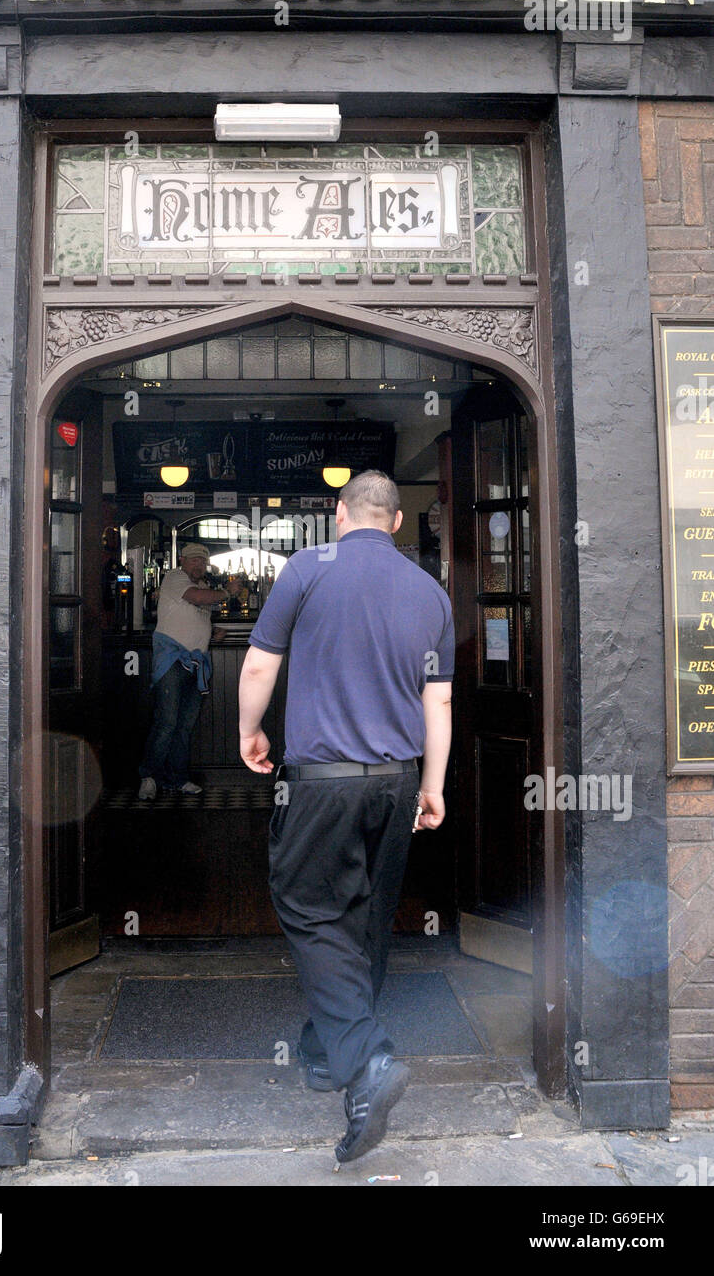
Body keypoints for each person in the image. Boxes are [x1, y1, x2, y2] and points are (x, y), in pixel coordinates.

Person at [238, 470, 454, 1164]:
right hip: (395, 782)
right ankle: (327, 1053)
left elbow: (258, 666)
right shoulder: (429, 590)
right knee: (363, 915)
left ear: (338, 515)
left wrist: (250, 729)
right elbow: (438, 703)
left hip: (321, 780)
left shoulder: (306, 568)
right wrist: (433, 785)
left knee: (307, 905)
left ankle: (365, 1065)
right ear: (394, 521)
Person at [137, 542, 228, 800]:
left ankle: (177, 779)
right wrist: (227, 592)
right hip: (173, 660)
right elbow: (198, 599)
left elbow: (196, 614)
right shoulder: (175, 577)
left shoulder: (202, 586)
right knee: (167, 722)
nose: (198, 564)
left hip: (196, 662)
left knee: (184, 726)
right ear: (183, 561)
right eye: (194, 560)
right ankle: (149, 777)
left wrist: (212, 632)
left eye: (202, 561)